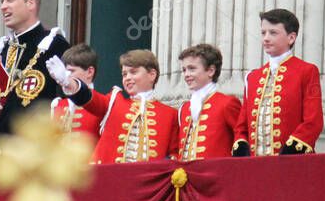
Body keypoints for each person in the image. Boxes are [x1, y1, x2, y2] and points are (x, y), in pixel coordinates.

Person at [0, 0, 70, 154]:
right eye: (2, 1)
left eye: (10, 0)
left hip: (33, 151)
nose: (3, 6)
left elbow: (61, 102)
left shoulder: (54, 45)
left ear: (30, 3)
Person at [48, 49, 180, 163]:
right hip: (111, 179)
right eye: (124, 74)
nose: (127, 77)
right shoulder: (114, 101)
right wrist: (68, 83)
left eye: (133, 72)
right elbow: (90, 98)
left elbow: (174, 155)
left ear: (152, 75)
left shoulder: (170, 114)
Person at [232, 9, 323, 156]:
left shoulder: (307, 71)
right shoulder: (253, 77)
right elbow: (241, 126)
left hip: (293, 162)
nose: (266, 38)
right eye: (263, 33)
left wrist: (288, 154)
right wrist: (242, 148)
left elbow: (313, 121)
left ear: (291, 38)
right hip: (255, 164)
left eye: (273, 33)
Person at [176, 44, 241, 161]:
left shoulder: (227, 103)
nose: (186, 74)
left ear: (211, 71)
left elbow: (240, 143)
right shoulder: (184, 108)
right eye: (184, 70)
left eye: (192, 69)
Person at [50, 43, 103, 137]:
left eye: (71, 71)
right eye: (64, 71)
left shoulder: (102, 105)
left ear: (90, 72)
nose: (66, 75)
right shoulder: (57, 104)